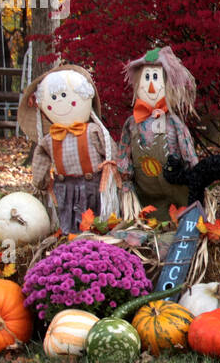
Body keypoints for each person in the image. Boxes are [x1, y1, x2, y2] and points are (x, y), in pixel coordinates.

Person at [17, 64, 120, 234]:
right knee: (68, 219)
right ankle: (69, 240)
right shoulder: (49, 140)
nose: (60, 102)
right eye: (54, 98)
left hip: (92, 185)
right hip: (64, 187)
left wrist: (118, 172)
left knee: (98, 220)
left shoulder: (93, 131)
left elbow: (111, 152)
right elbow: (41, 159)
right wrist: (40, 182)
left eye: (65, 95)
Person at [116, 45, 199, 220]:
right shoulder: (132, 124)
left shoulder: (174, 123)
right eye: (147, 78)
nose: (151, 85)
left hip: (177, 195)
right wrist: (125, 179)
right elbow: (124, 152)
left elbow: (188, 153)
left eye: (156, 77)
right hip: (145, 196)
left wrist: (196, 174)